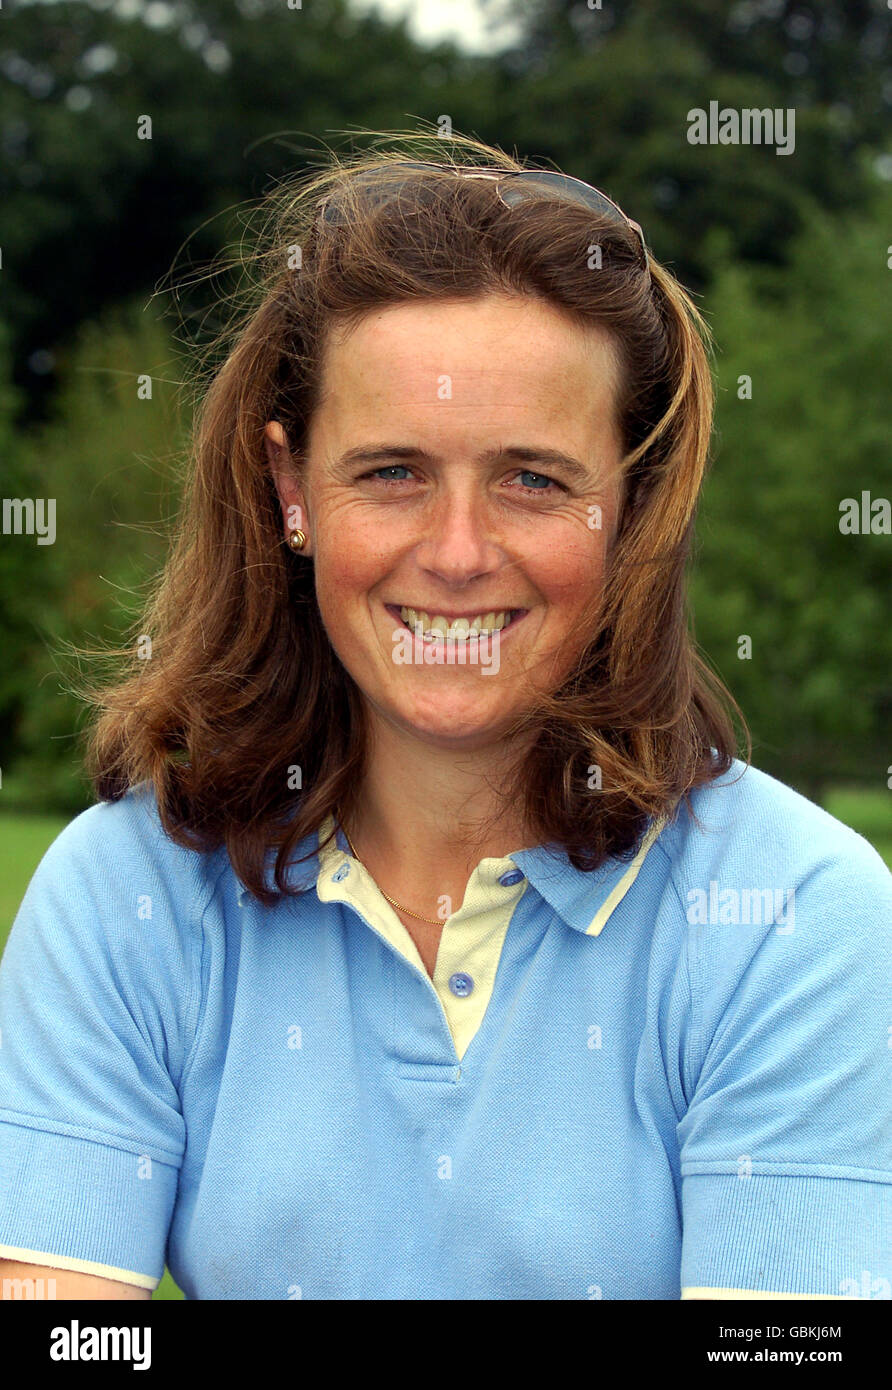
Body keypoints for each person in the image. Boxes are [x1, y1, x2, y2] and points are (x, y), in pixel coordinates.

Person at [0, 133, 889, 1302]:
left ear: (628, 503)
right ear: (289, 490)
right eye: (391, 472)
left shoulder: (800, 917)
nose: (458, 554)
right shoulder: (122, 894)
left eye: (533, 477)